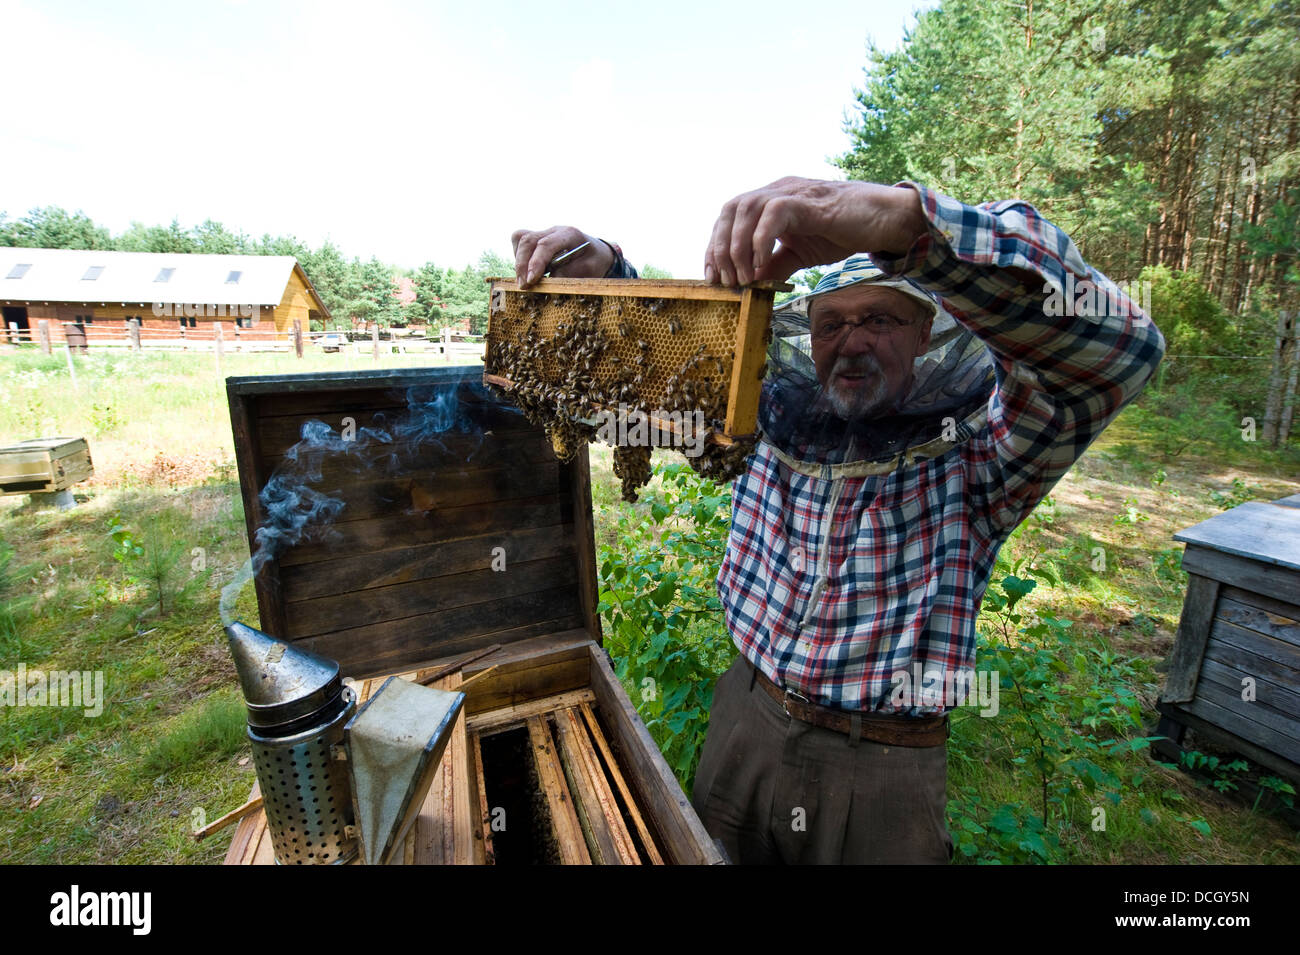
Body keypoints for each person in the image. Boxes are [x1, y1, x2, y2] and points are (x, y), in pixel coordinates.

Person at [511, 176, 1166, 864]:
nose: (851, 343)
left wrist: (905, 220)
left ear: (925, 334)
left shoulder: (985, 452)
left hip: (880, 765)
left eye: (879, 319)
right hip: (743, 718)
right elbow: (658, 355)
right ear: (808, 338)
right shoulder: (767, 416)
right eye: (831, 323)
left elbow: (1122, 352)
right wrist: (604, 271)